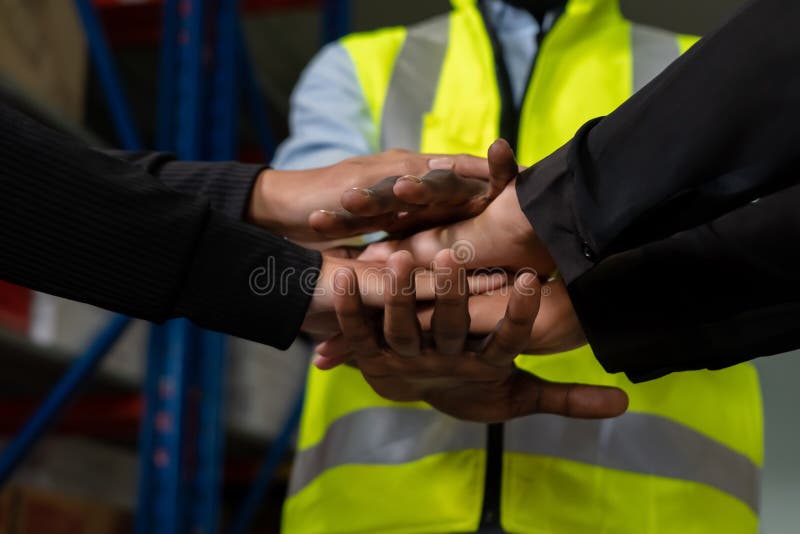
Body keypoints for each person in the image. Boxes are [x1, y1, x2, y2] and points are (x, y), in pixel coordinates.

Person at [272, 0, 762, 532]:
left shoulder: (694, 66)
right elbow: (298, 265)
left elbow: (746, 255)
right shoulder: (359, 66)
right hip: (383, 508)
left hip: (644, 509)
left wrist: (426, 267)